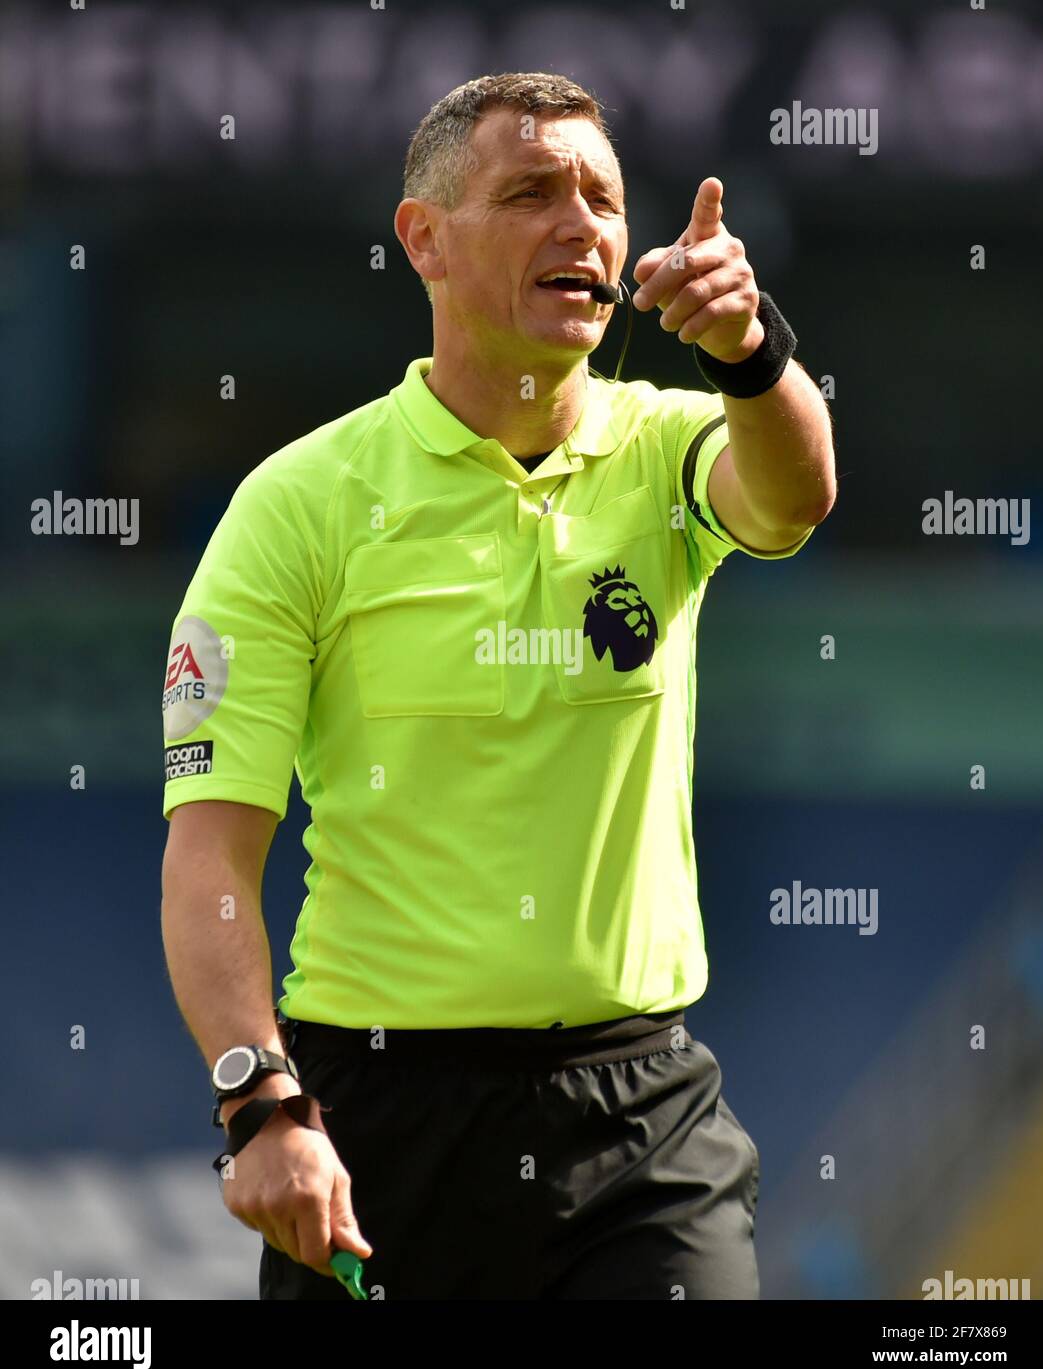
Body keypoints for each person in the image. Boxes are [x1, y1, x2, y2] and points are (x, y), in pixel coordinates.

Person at [160, 71, 835, 1300]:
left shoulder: (667, 446)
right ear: (422, 238)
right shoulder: (296, 507)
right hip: (375, 1124)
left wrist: (749, 348)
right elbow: (211, 856)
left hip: (641, 1126)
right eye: (530, 193)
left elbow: (793, 493)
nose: (580, 224)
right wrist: (261, 1102)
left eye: (602, 199)